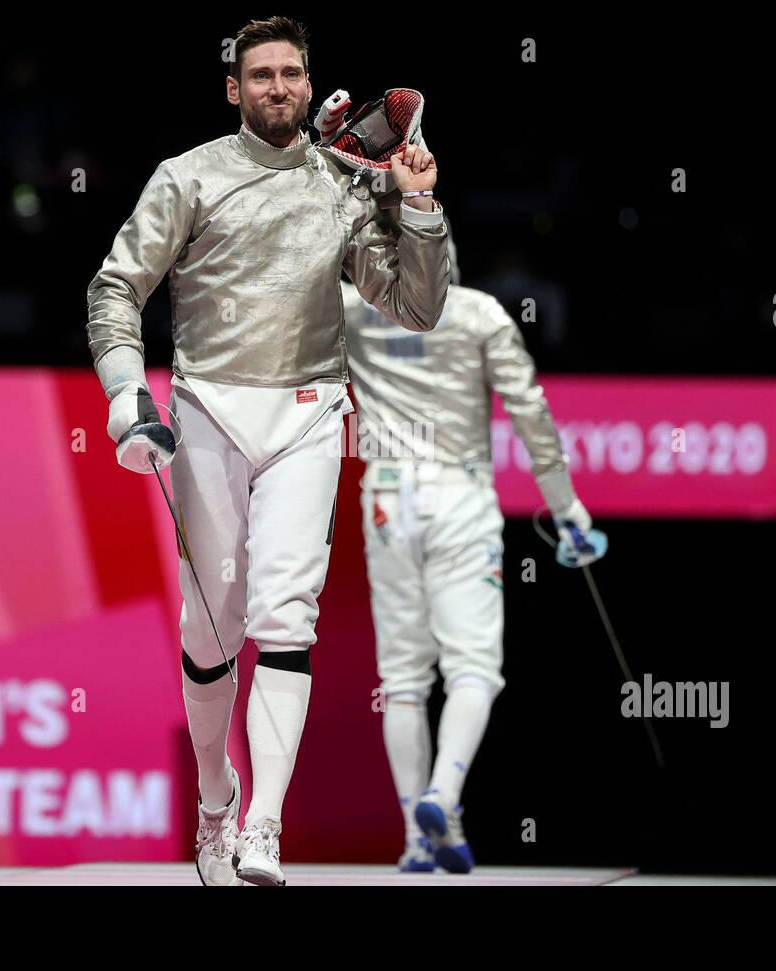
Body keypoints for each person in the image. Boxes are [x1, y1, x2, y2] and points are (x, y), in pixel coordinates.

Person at [85, 16, 449, 885]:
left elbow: (413, 306)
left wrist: (421, 208)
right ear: (234, 88)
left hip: (312, 408)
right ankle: (215, 798)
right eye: (261, 75)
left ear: (307, 81)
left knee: (287, 615)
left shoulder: (340, 183)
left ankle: (264, 824)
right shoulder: (189, 176)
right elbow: (115, 286)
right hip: (210, 404)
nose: (278, 87)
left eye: (291, 73)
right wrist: (126, 391)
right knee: (212, 625)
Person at [341, 230, 605, 872]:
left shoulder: (348, 312)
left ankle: (418, 836)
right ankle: (444, 791)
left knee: (402, 678)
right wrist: (565, 507)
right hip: (457, 493)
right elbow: (531, 413)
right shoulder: (480, 312)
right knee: (474, 669)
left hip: (385, 492)